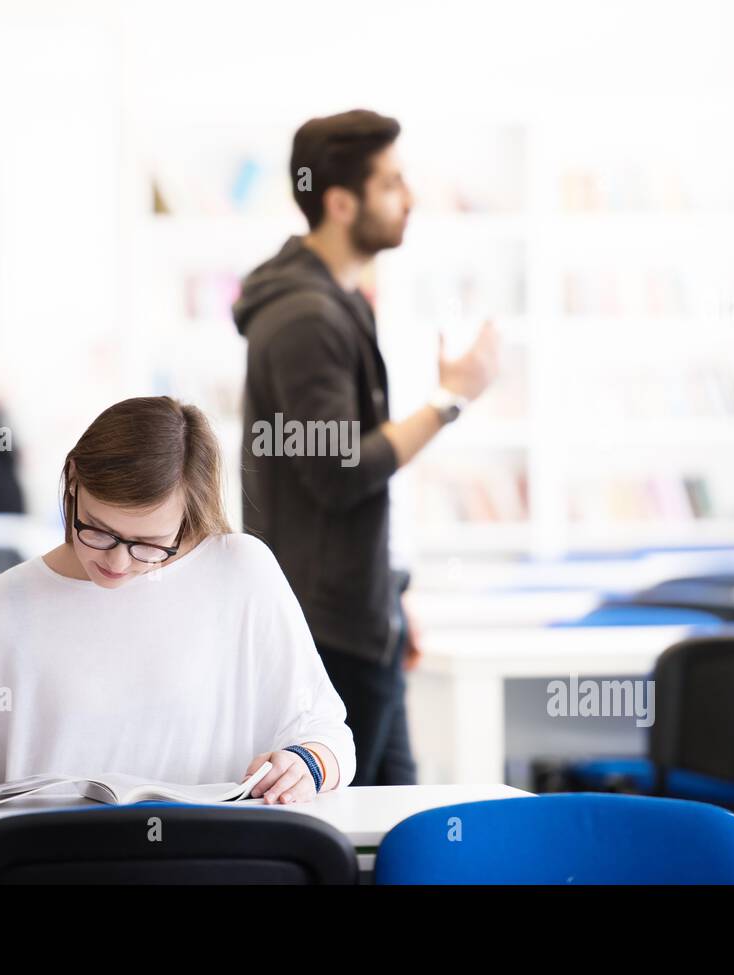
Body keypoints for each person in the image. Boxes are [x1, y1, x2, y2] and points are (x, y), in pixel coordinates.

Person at [0, 396, 356, 804]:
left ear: (189, 517)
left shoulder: (243, 573)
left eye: (148, 543)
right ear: (72, 484)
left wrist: (309, 764)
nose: (119, 563)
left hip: (208, 860)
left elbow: (330, 735)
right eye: (98, 530)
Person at [232, 109, 498, 786]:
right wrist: (450, 399)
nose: (409, 199)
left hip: (357, 615)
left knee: (394, 829)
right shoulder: (306, 314)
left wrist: (389, 590)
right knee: (359, 837)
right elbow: (341, 465)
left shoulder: (333, 300)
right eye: (392, 183)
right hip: (330, 634)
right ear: (341, 202)